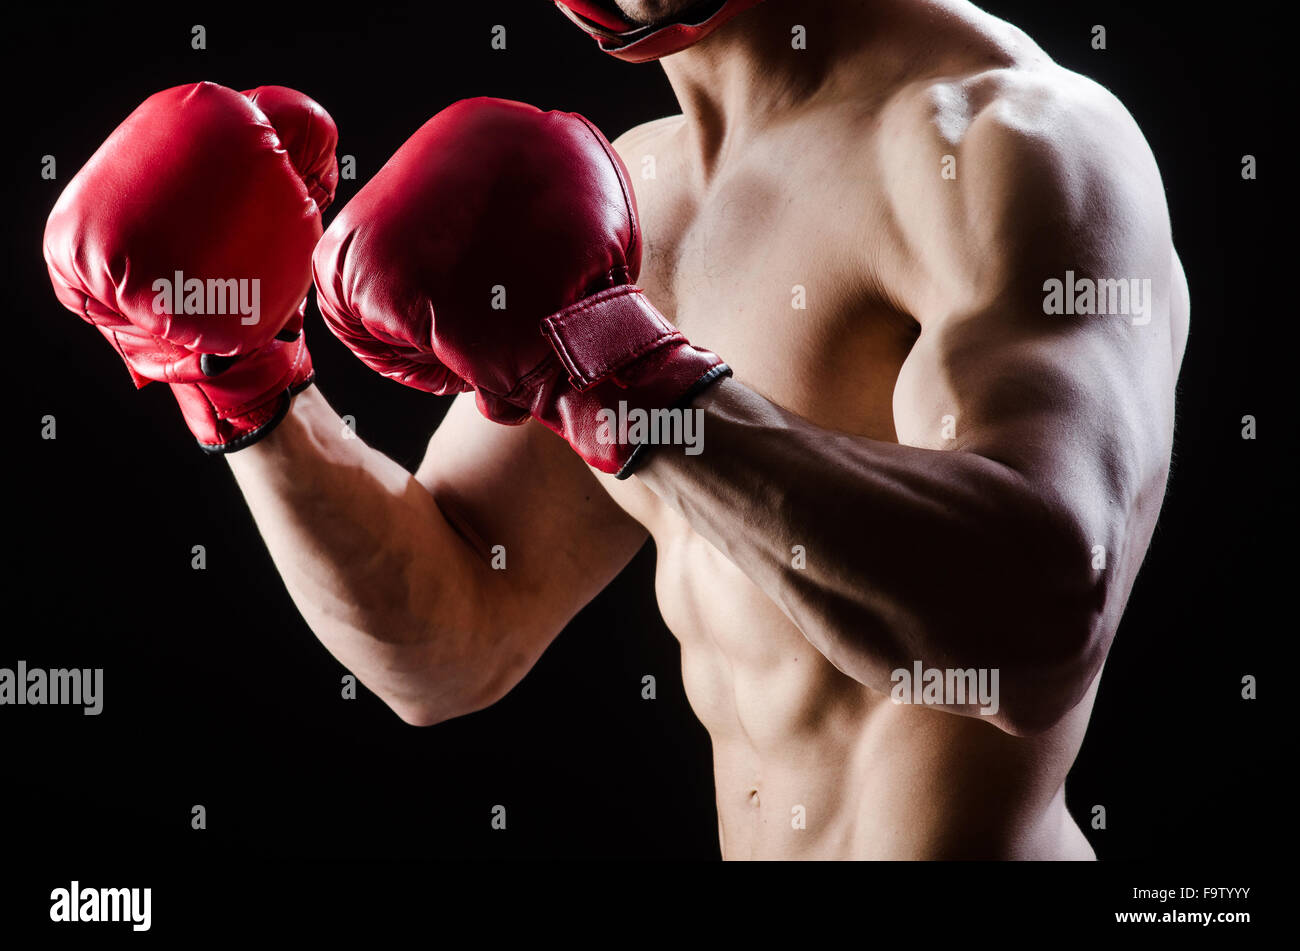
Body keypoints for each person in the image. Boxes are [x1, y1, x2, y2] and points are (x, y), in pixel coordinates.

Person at [47, 0, 1189, 859]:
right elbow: (454, 638)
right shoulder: (633, 190)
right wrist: (247, 385)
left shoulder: (1006, 138)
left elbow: (1038, 624)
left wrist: (626, 380)